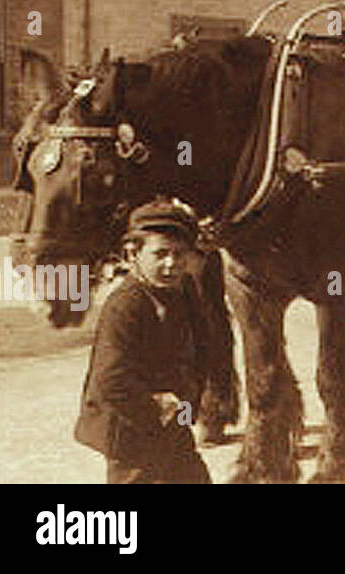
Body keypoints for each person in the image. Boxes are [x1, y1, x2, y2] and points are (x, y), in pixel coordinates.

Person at [74, 197, 211, 484]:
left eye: (179, 254)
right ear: (132, 253)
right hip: (130, 426)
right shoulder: (125, 305)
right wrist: (157, 409)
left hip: (172, 420)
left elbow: (202, 347)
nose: (171, 264)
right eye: (160, 254)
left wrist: (188, 404)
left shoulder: (182, 290)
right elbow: (110, 378)